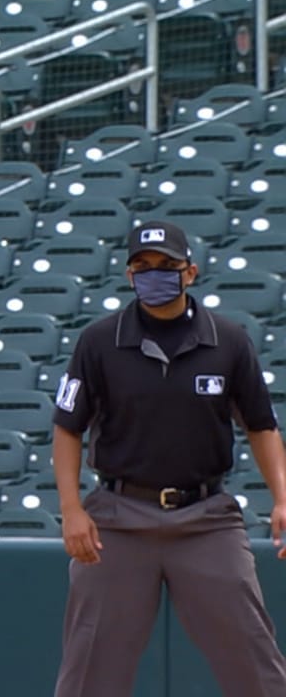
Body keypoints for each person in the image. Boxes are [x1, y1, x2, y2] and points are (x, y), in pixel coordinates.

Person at [52, 219, 286, 696]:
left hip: (206, 518)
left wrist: (283, 497)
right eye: (142, 266)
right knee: (92, 665)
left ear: (191, 272)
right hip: (117, 518)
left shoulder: (229, 340)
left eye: (166, 266)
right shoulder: (99, 342)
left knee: (252, 656)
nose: (153, 275)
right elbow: (66, 427)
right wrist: (72, 510)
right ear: (128, 275)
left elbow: (261, 426)